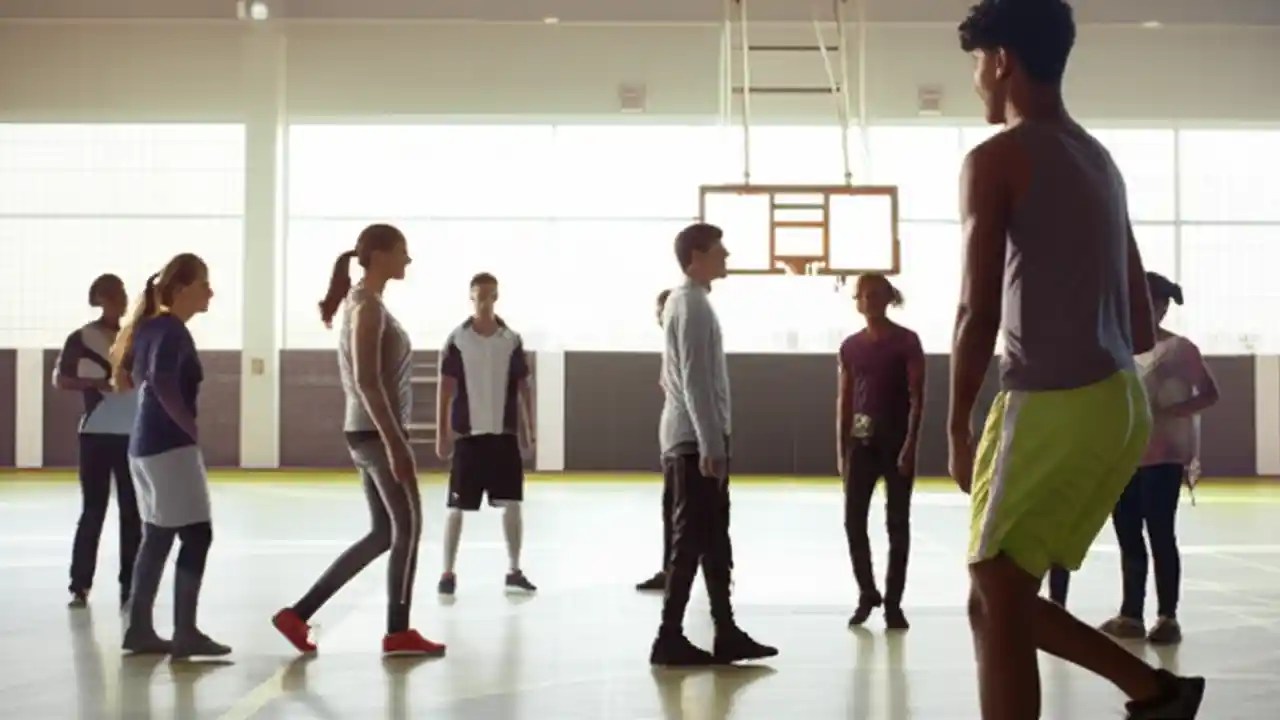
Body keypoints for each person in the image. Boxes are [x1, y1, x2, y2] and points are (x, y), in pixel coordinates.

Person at [949, 2, 1204, 718]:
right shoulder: (1098, 159)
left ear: (1001, 60)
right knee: (997, 597)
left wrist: (956, 424)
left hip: (1052, 398)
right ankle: (1155, 690)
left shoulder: (996, 158)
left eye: (977, 63)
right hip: (1119, 401)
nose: (976, 79)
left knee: (997, 591)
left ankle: (1153, 688)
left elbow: (976, 310)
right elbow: (1139, 315)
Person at [273, 224, 443, 658]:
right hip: (376, 433)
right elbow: (368, 381)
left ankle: (298, 614)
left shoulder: (363, 302)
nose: (408, 260)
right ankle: (398, 632)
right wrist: (396, 443)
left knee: (384, 533)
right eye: (403, 251)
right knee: (409, 528)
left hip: (364, 431)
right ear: (381, 255)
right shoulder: (367, 307)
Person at [649, 222, 775, 666]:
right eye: (719, 249)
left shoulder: (685, 303)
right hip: (692, 441)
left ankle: (726, 630)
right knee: (691, 540)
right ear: (697, 257)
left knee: (714, 540)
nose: (726, 255)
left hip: (688, 437)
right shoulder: (692, 306)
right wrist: (710, 443)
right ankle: (669, 635)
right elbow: (695, 381)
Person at [110, 253, 228, 658]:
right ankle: (185, 631)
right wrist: (188, 426)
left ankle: (139, 628)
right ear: (180, 289)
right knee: (197, 534)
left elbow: (144, 378)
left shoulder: (151, 328)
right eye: (203, 284)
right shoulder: (172, 330)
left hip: (144, 445)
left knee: (158, 534)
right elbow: (161, 381)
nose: (210, 292)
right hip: (169, 446)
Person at [1096, 272, 1218, 645]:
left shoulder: (1179, 350)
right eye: (1145, 302)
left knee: (1161, 534)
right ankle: (1131, 613)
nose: (1152, 310)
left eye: (1159, 304)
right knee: (1128, 535)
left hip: (1162, 458)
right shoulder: (1113, 348)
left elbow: (1209, 393)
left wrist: (1175, 410)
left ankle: (1167, 616)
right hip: (1121, 458)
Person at [435, 272, 537, 596]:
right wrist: (442, 432)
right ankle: (447, 572)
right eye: (480, 295)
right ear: (471, 296)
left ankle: (514, 569)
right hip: (469, 436)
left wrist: (528, 429)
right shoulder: (458, 339)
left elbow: (523, 386)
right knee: (456, 507)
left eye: (490, 295)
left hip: (503, 435)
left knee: (513, 503)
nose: (485, 301)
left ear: (496, 297)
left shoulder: (511, 340)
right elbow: (445, 388)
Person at [837, 274, 924, 631]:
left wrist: (911, 445)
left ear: (888, 298)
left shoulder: (906, 341)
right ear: (857, 301)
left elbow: (917, 397)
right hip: (861, 444)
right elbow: (845, 398)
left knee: (897, 524)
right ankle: (867, 591)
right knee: (853, 520)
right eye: (863, 295)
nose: (869, 301)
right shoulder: (850, 346)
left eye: (875, 295)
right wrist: (842, 450)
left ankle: (893, 602)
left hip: (896, 441)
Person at [56, 273, 141, 609]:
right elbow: (62, 379)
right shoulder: (81, 337)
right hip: (96, 433)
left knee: (132, 511)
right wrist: (95, 384)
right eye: (112, 294)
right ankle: (80, 583)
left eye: (122, 293)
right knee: (93, 509)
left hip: (132, 434)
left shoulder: (134, 337)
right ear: (100, 299)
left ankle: (130, 583)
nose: (119, 300)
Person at [637, 288, 675, 592]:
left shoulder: (683, 348)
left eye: (664, 309)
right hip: (673, 443)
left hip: (684, 444)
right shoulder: (670, 348)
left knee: (683, 512)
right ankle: (671, 569)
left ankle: (676, 571)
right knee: (674, 510)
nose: (660, 316)